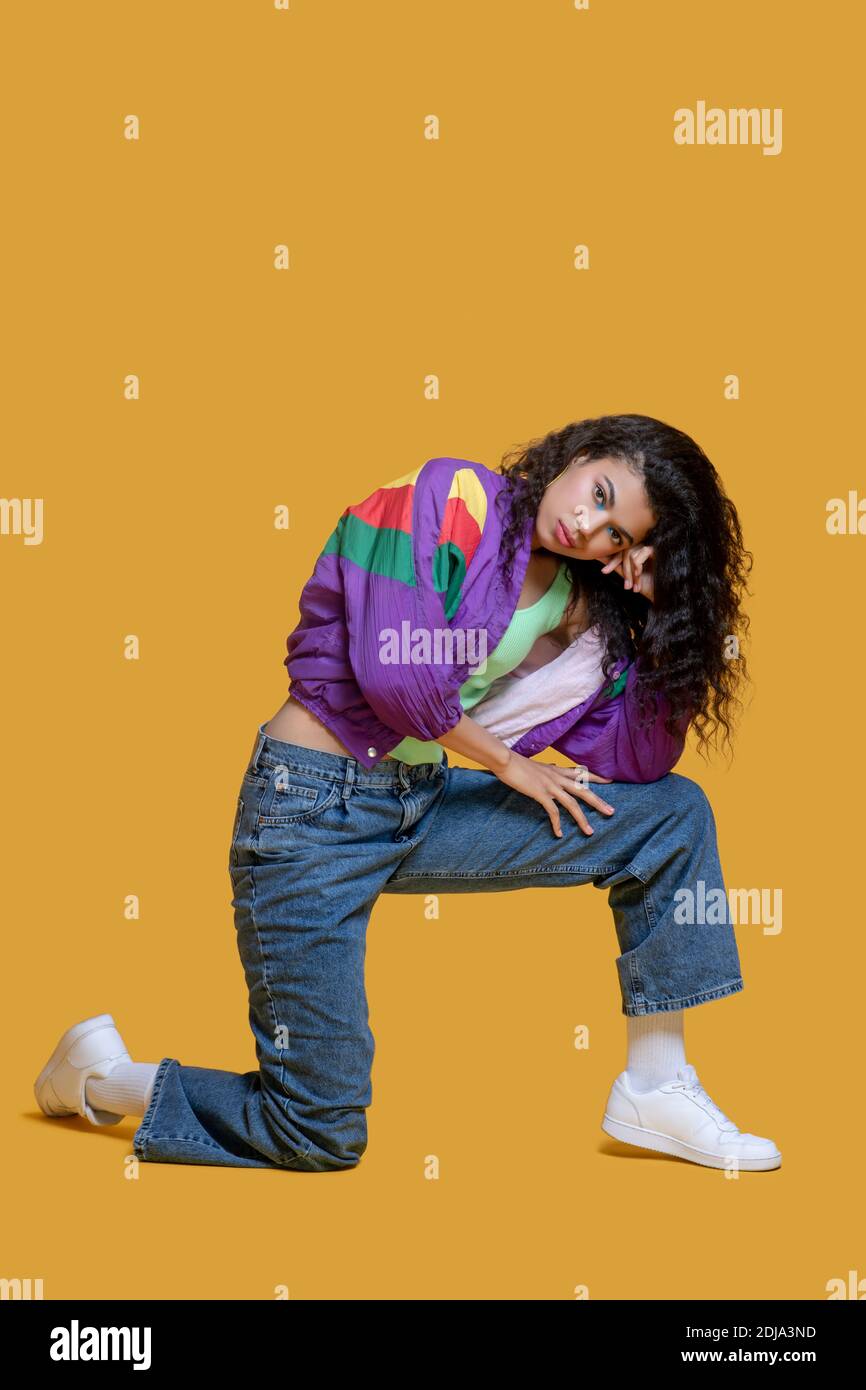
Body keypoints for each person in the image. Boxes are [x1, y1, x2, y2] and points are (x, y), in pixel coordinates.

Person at [34, 414, 781, 1172]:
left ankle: (655, 1085)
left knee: (672, 815)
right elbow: (397, 676)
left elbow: (636, 758)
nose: (589, 529)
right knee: (317, 1132)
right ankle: (98, 1079)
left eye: (618, 537)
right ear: (584, 454)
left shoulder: (578, 604)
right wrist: (515, 768)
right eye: (598, 495)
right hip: (309, 811)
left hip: (418, 806)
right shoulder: (451, 496)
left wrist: (660, 611)